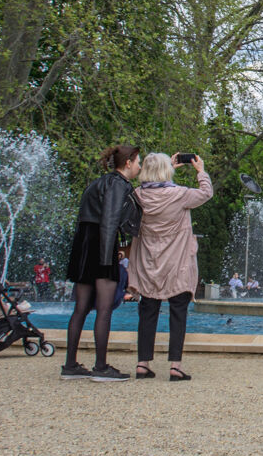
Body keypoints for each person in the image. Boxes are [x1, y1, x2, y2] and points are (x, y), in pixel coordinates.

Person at [127, 153, 213, 382]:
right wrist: (200, 171)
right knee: (178, 311)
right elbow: (206, 193)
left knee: (147, 310)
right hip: (177, 262)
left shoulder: (137, 196)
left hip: (149, 261)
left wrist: (167, 169)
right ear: (167, 171)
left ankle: (142, 364)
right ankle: (176, 365)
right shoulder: (180, 195)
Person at [62, 144, 144, 382]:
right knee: (105, 308)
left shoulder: (98, 183)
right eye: (138, 161)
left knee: (80, 308)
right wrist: (110, 255)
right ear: (128, 163)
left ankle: (70, 365)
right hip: (102, 243)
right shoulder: (118, 185)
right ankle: (100, 367)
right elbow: (109, 219)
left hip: (84, 245)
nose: (139, 166)